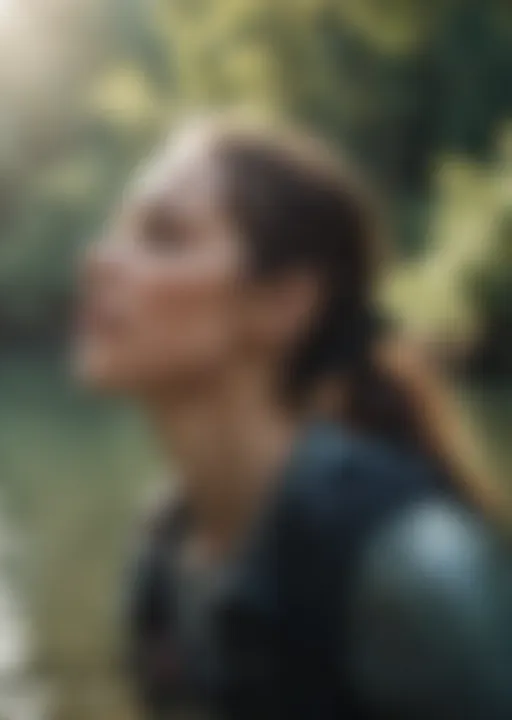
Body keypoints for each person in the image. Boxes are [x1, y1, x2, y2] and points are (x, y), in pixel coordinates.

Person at [73, 116, 512, 719]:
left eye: (165, 235)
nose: (101, 258)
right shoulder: (162, 559)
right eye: (118, 230)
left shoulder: (412, 567)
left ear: (284, 302)